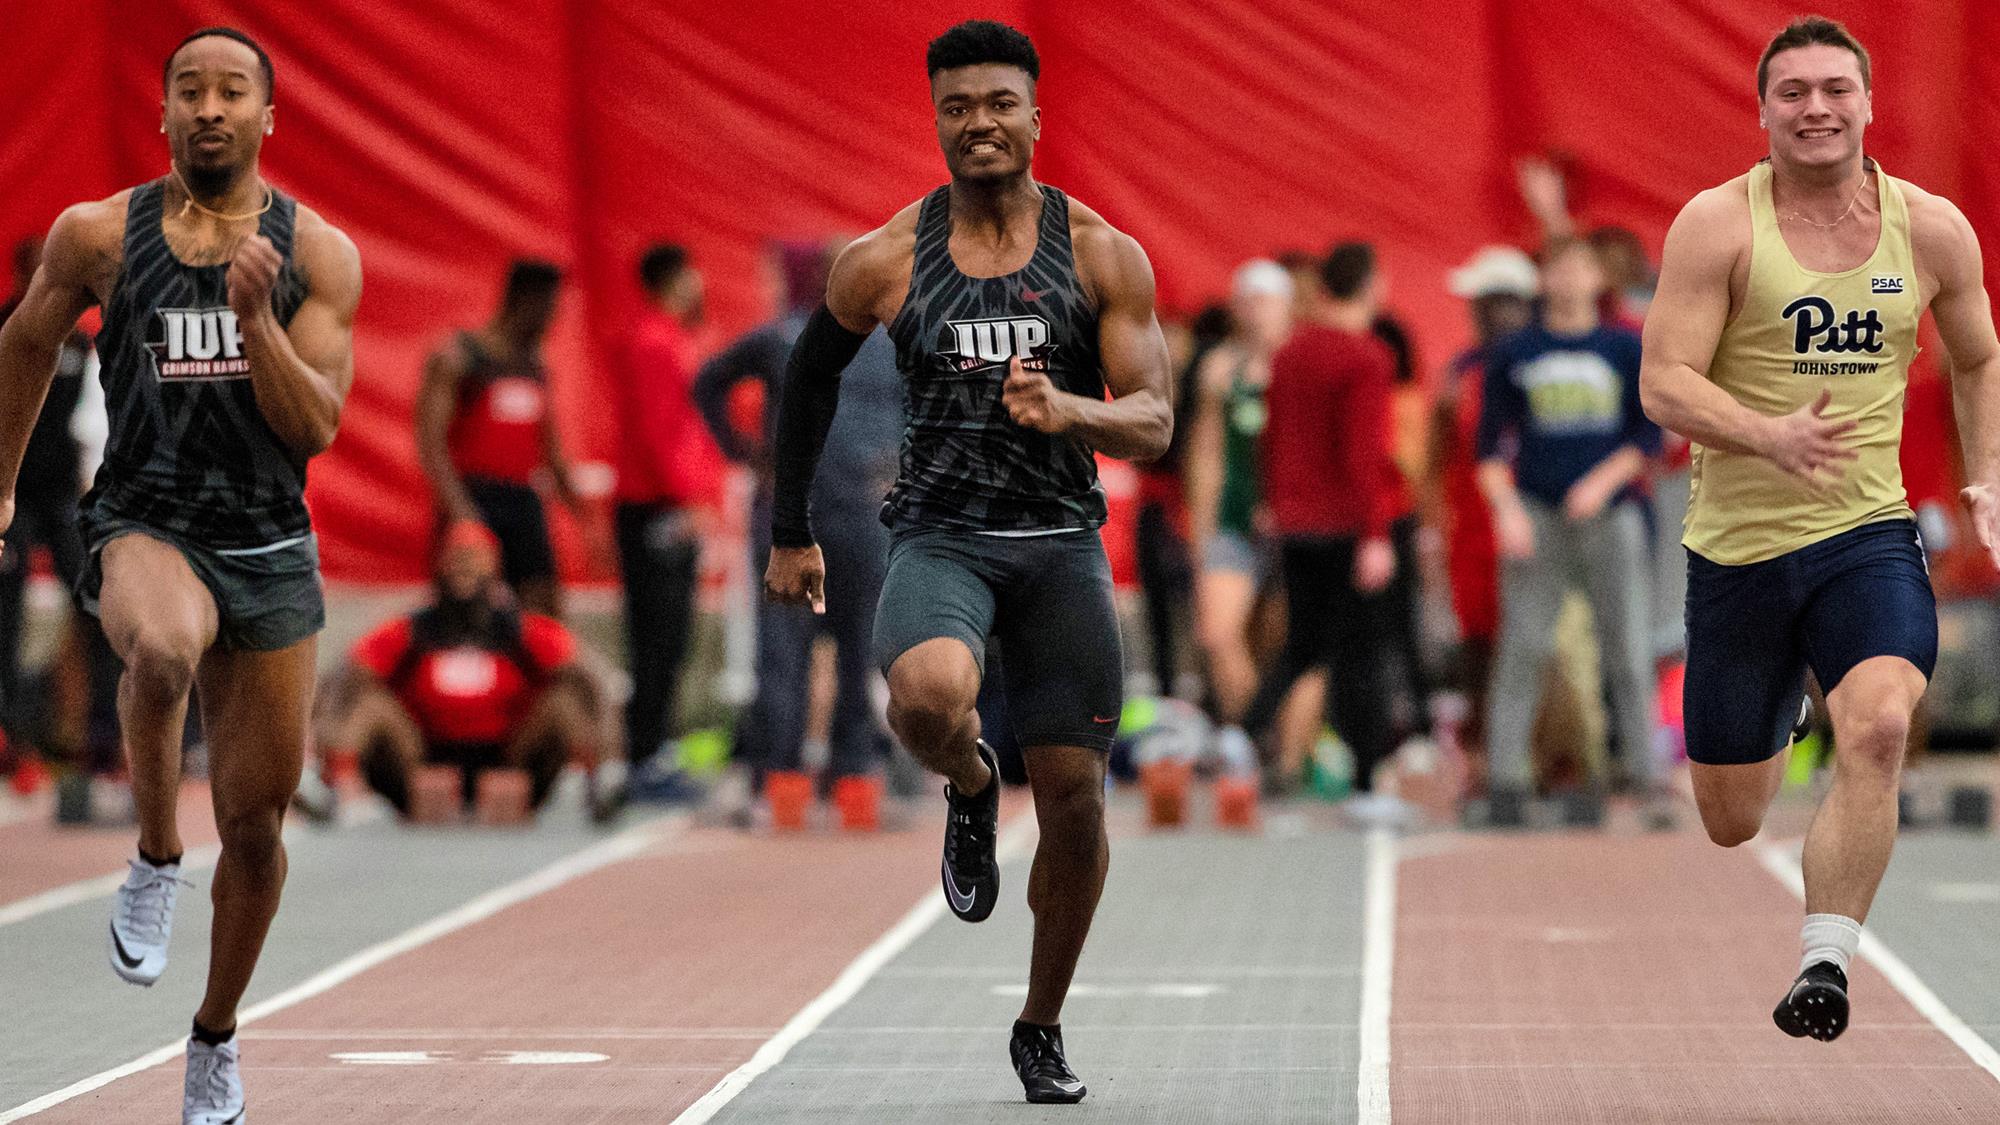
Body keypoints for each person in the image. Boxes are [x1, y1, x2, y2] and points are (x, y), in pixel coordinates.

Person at [761, 20, 1171, 1104]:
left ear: (1034, 114)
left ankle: (1038, 1025)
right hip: (940, 535)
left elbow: (1155, 420)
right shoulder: (887, 257)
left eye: (998, 103)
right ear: (935, 118)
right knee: (931, 696)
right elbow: (804, 382)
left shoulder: (1099, 254)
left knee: (1078, 804)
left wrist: (1067, 407)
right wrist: (789, 531)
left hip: (1058, 546)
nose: (978, 123)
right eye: (956, 107)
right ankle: (972, 782)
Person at [0, 27, 361, 1123]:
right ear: (162, 117)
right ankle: (155, 850)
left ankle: (214, 1036)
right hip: (147, 518)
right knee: (161, 646)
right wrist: (2, 485)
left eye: (231, 92)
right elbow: (23, 343)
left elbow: (320, 425)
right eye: (189, 92)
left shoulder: (319, 253)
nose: (209, 108)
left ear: (267, 117)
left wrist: (255, 323)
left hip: (268, 541)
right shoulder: (99, 234)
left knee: (256, 830)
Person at [1640, 15, 2000, 1042]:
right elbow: (1662, 382)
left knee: (1882, 724)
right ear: (1760, 113)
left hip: (1864, 534)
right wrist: (1762, 434)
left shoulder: (1928, 228)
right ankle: (1780, 710)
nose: (1814, 109)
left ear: (1866, 104)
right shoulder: (1715, 224)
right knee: (1729, 818)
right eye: (1791, 92)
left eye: (1833, 90)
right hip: (1737, 550)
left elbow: (1975, 357)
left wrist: (1983, 478)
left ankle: (1824, 964)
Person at [695, 239, 901, 829]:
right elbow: (708, 383)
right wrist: (744, 453)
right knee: (828, 650)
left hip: (825, 518)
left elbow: (708, 383)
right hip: (837, 518)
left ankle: (804, 777)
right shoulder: (864, 339)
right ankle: (840, 774)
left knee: (822, 650)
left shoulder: (807, 338)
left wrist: (745, 453)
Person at [1476, 236, 1667, 826]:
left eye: (1579, 267)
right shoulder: (1516, 353)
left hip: (1609, 514)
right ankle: (1505, 779)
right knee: (1525, 646)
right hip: (1538, 511)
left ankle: (1645, 775)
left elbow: (1648, 438)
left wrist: (1602, 483)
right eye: (1555, 269)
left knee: (1628, 650)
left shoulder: (1622, 348)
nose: (1566, 279)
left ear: (1596, 278)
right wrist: (1507, 510)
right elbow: (1487, 447)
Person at [1241, 242, 1405, 825]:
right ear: (1368, 284)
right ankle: (1365, 782)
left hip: (1295, 525)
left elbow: (1271, 437)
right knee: (1362, 653)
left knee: (1305, 644)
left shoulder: (1289, 353)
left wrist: (1274, 502)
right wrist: (1376, 534)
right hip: (1344, 525)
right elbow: (1364, 455)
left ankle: (1243, 731)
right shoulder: (1367, 357)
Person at [321, 520, 598, 819]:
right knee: (368, 704)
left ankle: (602, 778)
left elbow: (585, 677)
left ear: (493, 570)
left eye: (473, 560)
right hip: (422, 756)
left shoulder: (521, 629)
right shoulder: (412, 628)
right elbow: (349, 671)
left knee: (564, 701)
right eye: (457, 560)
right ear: (440, 567)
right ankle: (328, 785)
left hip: (509, 757)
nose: (464, 569)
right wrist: (324, 727)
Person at [0, 237, 120, 779]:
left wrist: (94, 498)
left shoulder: (80, 343)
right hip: (9, 494)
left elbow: (94, 431)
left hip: (58, 497)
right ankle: (12, 739)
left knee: (96, 599)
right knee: (8, 608)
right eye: (39, 277)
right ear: (22, 279)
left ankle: (101, 739)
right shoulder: (6, 330)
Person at [416, 258, 581, 617]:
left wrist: (584, 515)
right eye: (551, 309)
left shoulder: (536, 366)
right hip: (473, 497)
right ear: (526, 301)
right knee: (467, 615)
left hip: (523, 500)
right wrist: (462, 512)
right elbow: (431, 444)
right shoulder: (458, 357)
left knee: (544, 615)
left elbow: (549, 448)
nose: (554, 320)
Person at [610, 243, 715, 790]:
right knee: (656, 637)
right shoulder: (654, 342)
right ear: (677, 277)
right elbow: (659, 433)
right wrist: (691, 499)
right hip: (656, 509)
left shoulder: (676, 339)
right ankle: (645, 758)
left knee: (672, 638)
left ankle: (656, 751)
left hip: (669, 505)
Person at [1183, 260, 1291, 773]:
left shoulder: (1298, 363)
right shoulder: (1221, 369)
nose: (1256, 312)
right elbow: (1205, 453)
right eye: (1248, 300)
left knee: (1282, 646)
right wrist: (1202, 530)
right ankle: (1254, 736)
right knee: (1219, 634)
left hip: (1294, 528)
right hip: (1234, 520)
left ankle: (1288, 760)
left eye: (1266, 300)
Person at [1427, 247, 1537, 752]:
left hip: (1535, 528)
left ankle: (1542, 753)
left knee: (1537, 645)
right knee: (1477, 645)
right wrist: (1433, 527)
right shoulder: (1461, 371)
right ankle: (1484, 755)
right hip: (1471, 534)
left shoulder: (1544, 364)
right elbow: (1437, 457)